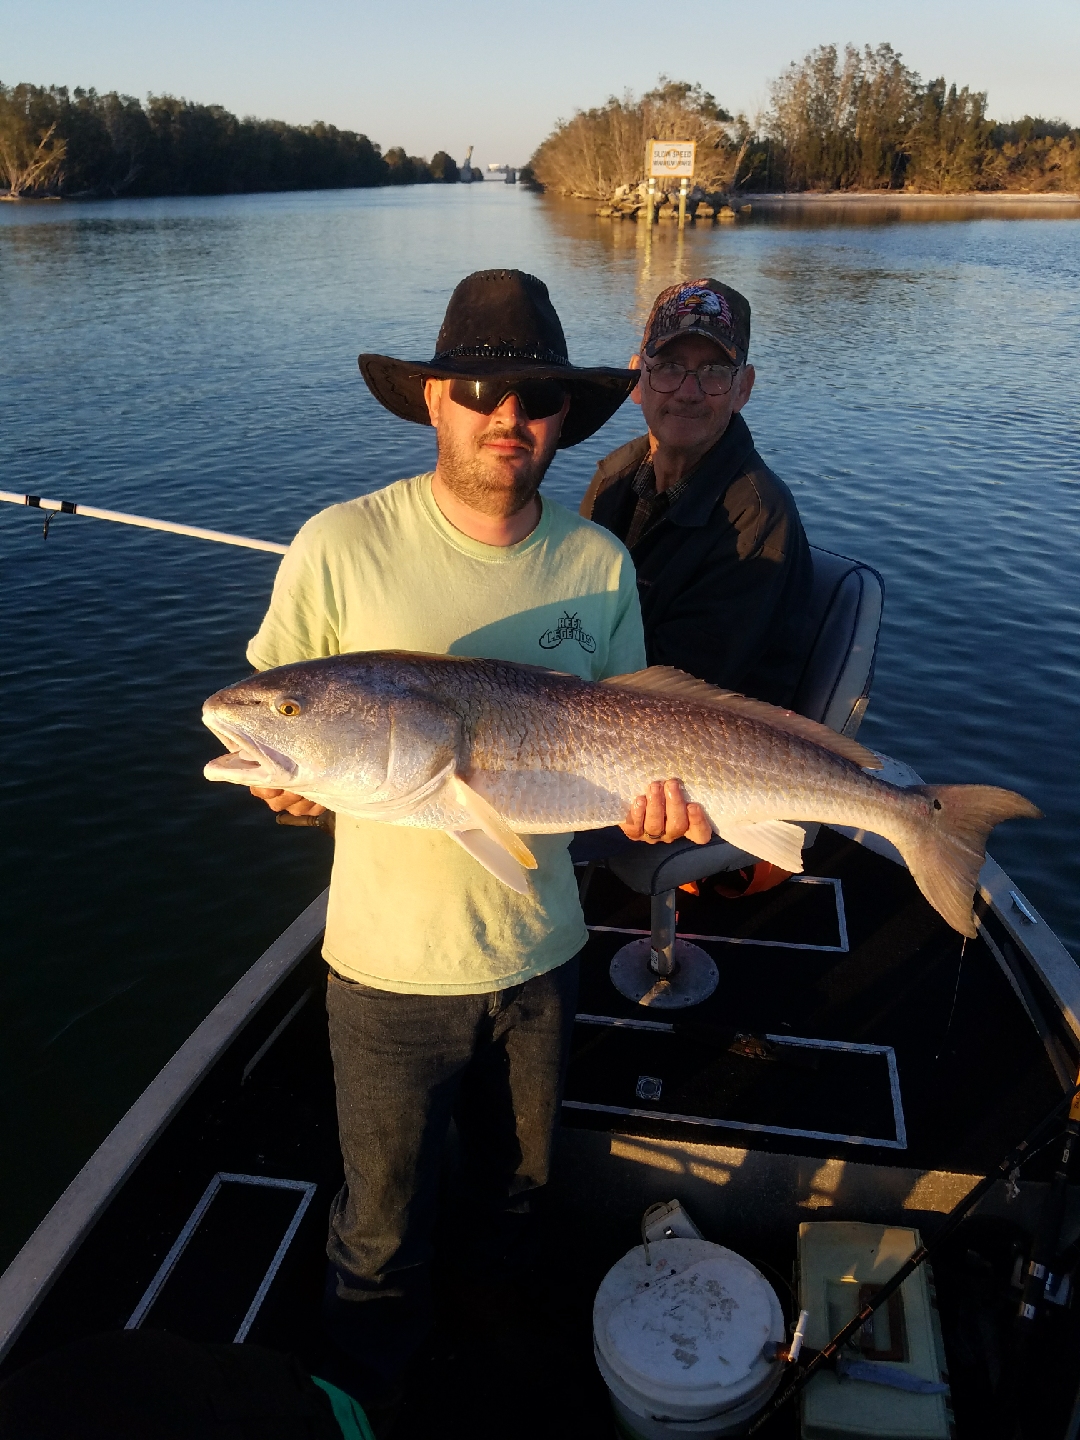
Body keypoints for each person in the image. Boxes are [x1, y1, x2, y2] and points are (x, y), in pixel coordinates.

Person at [241, 270, 712, 1416]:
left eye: (538, 397)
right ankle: (362, 1401)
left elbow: (635, 728)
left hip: (544, 952)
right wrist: (284, 788)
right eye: (480, 391)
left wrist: (656, 809)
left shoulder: (597, 563)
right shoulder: (340, 544)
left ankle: (499, 1373)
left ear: (561, 418)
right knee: (380, 1228)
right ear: (435, 403)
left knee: (521, 1196)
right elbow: (268, 711)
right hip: (388, 972)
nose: (510, 416)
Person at [580, 279, 813, 707]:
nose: (688, 392)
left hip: (709, 755)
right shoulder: (613, 481)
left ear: (743, 388)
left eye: (713, 372)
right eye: (668, 366)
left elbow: (679, 693)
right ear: (637, 379)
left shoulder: (758, 523)